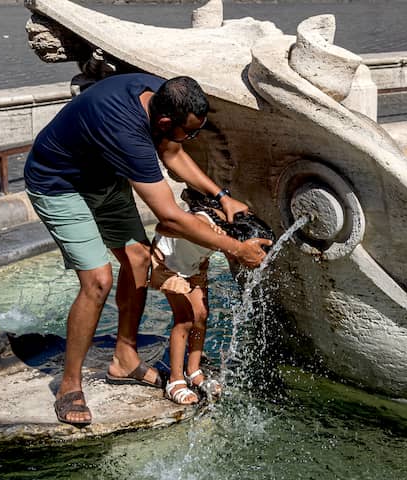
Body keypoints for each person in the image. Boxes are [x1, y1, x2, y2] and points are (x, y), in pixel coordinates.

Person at [24, 73, 272, 426]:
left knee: (139, 259)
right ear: (165, 121)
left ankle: (124, 358)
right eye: (190, 131)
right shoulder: (125, 129)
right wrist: (237, 249)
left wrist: (222, 197)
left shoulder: (162, 94)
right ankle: (69, 385)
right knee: (98, 280)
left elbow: (173, 151)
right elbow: (169, 217)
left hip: (104, 177)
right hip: (59, 184)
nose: (191, 137)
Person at [150, 189, 276, 405]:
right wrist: (201, 231)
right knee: (185, 319)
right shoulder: (204, 224)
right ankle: (175, 380)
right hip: (169, 264)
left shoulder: (230, 228)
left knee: (201, 315)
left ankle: (193, 370)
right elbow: (164, 226)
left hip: (194, 264)